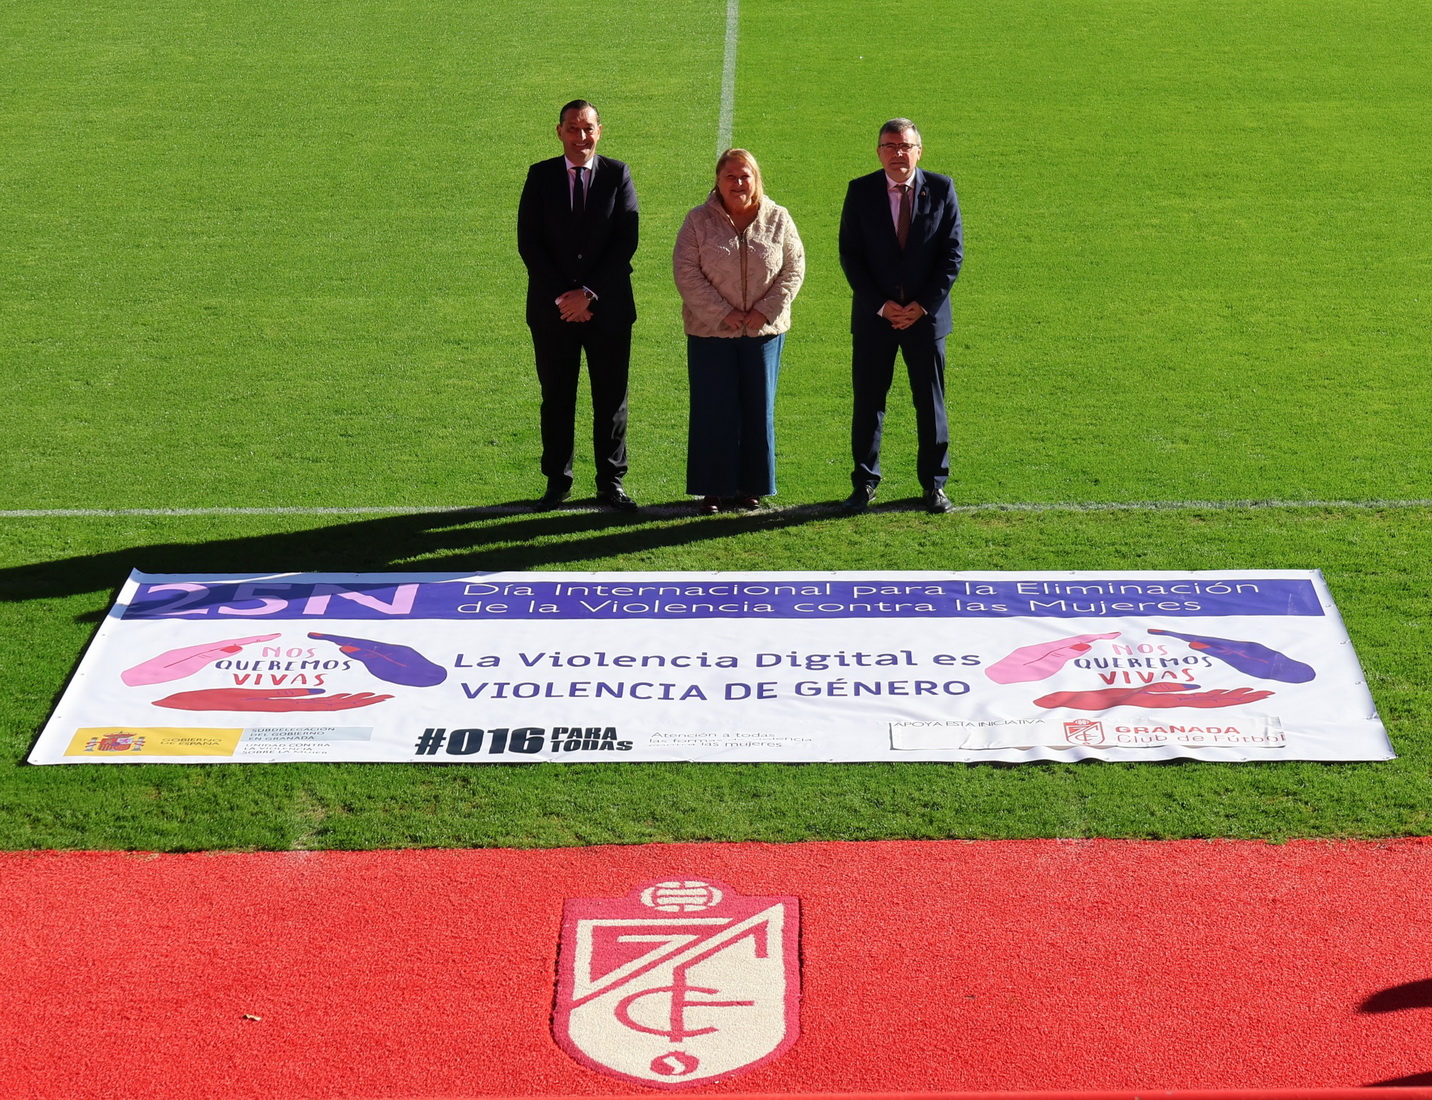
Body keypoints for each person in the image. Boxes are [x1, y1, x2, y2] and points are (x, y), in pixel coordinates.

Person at [517, 100, 640, 512]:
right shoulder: (540, 176)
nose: (581, 136)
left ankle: (611, 481)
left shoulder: (617, 174)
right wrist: (564, 297)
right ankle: (557, 482)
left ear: (599, 131)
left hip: (608, 309)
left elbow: (626, 241)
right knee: (556, 398)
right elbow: (529, 243)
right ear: (559, 132)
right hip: (553, 313)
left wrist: (587, 293)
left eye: (588, 128)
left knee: (611, 399)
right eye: (573, 128)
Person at [838, 118, 963, 514]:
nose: (898, 153)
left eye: (905, 146)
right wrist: (881, 305)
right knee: (868, 403)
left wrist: (921, 306)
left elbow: (952, 254)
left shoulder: (941, 188)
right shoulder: (860, 191)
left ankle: (934, 484)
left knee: (930, 404)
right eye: (890, 146)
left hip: (926, 320)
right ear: (879, 152)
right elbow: (851, 255)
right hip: (875, 319)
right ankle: (864, 483)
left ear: (918, 151)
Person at [673, 149, 805, 513]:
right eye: (730, 176)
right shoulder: (697, 221)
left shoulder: (778, 218)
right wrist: (722, 313)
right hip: (710, 333)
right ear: (717, 181)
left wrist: (764, 311)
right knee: (712, 409)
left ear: (756, 179)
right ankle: (712, 489)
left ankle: (751, 487)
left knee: (757, 409)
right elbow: (685, 271)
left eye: (745, 176)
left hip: (764, 333)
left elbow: (794, 268)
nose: (738, 183)